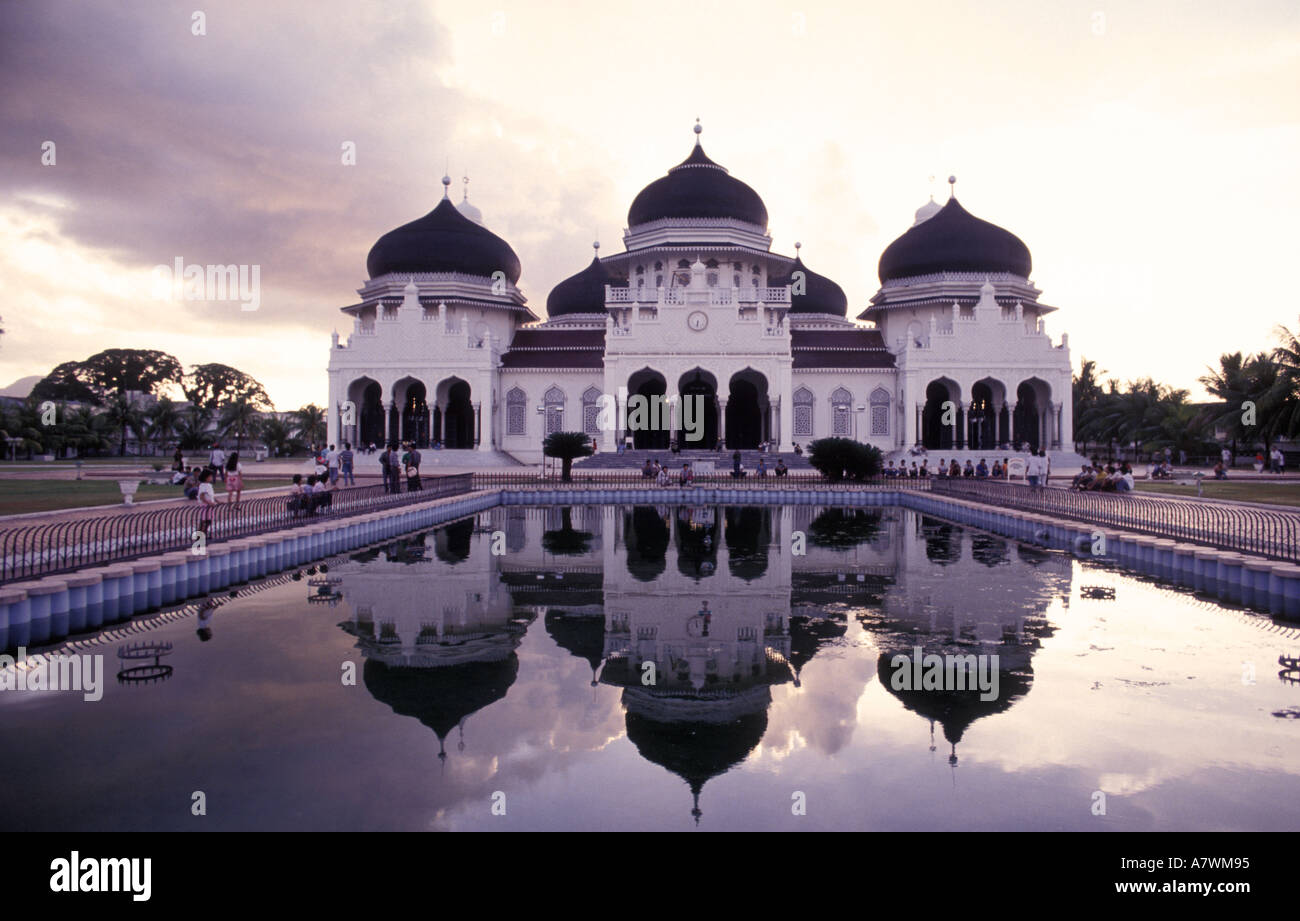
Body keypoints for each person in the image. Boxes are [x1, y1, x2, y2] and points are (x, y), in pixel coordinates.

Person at [197, 469, 217, 535]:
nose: (212, 478)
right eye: (210, 476)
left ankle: (204, 532)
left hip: (210, 506)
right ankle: (200, 534)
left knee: (209, 520)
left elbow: (211, 496)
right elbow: (201, 497)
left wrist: (217, 501)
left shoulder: (209, 485)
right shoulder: (203, 485)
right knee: (204, 521)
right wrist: (209, 503)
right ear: (206, 477)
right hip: (205, 506)